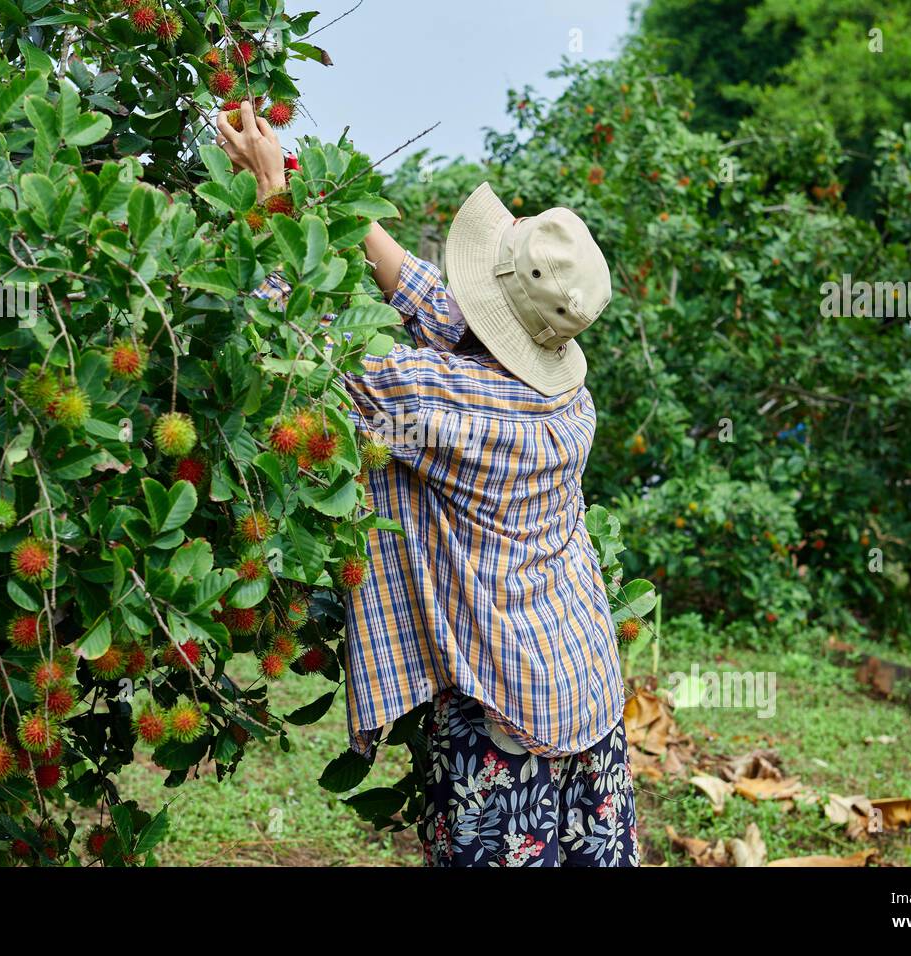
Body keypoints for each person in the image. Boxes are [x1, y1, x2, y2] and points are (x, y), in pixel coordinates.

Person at [219, 100, 637, 867]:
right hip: (585, 679)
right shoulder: (564, 392)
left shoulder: (442, 400)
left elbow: (314, 345)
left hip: (506, 712)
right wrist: (326, 201)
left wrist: (271, 197)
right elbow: (446, 311)